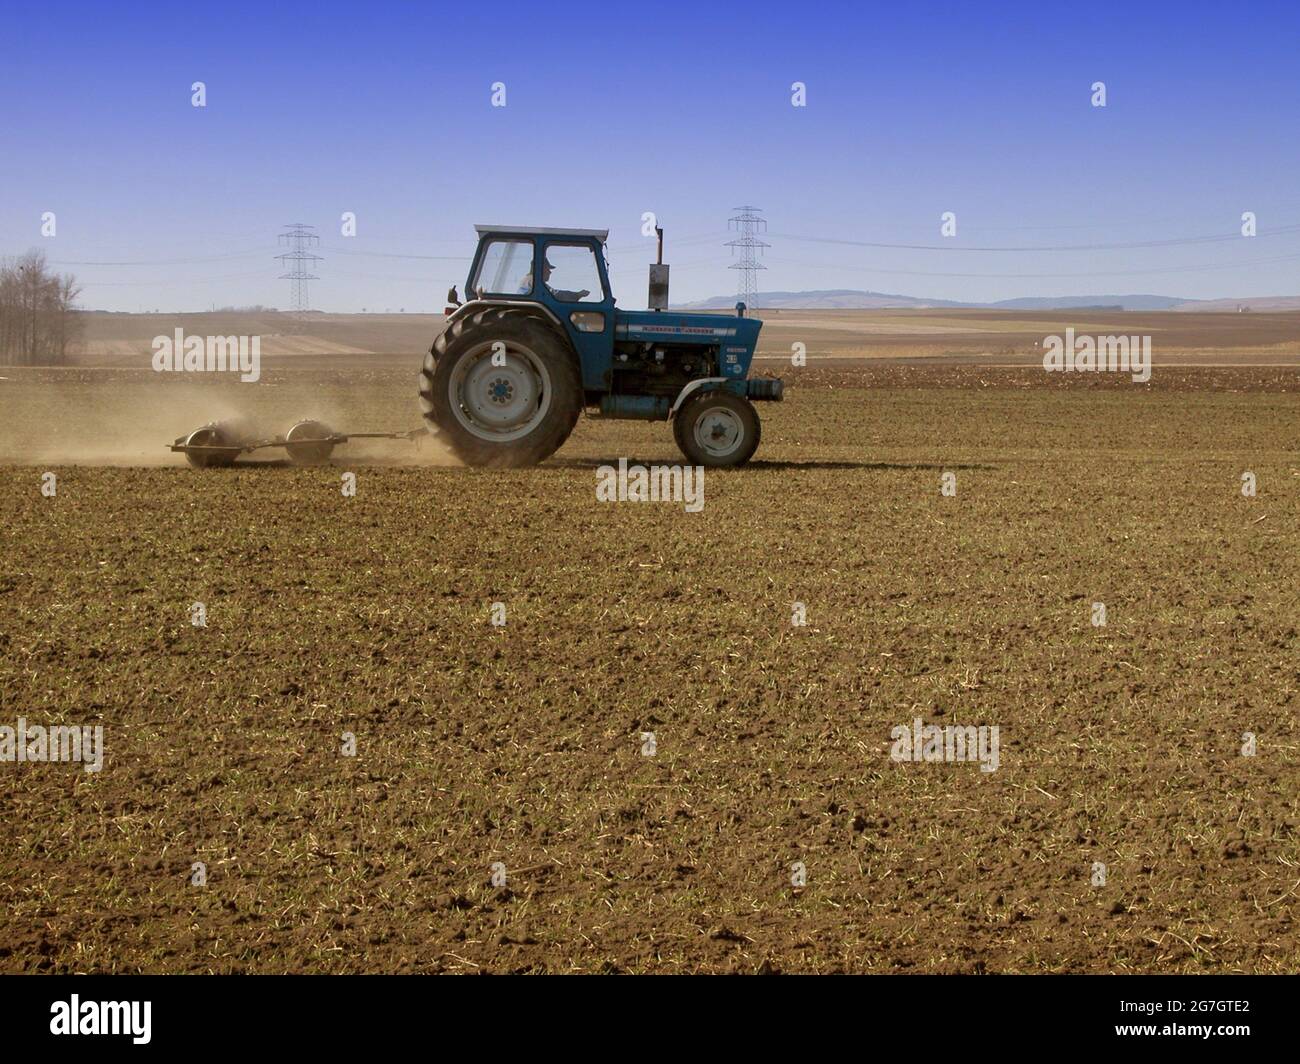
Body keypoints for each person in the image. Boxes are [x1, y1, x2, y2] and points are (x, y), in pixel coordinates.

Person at [518, 257, 590, 302]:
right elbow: (556, 295)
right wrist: (577, 295)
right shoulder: (534, 281)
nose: (550, 272)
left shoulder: (528, 280)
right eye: (548, 269)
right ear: (541, 268)